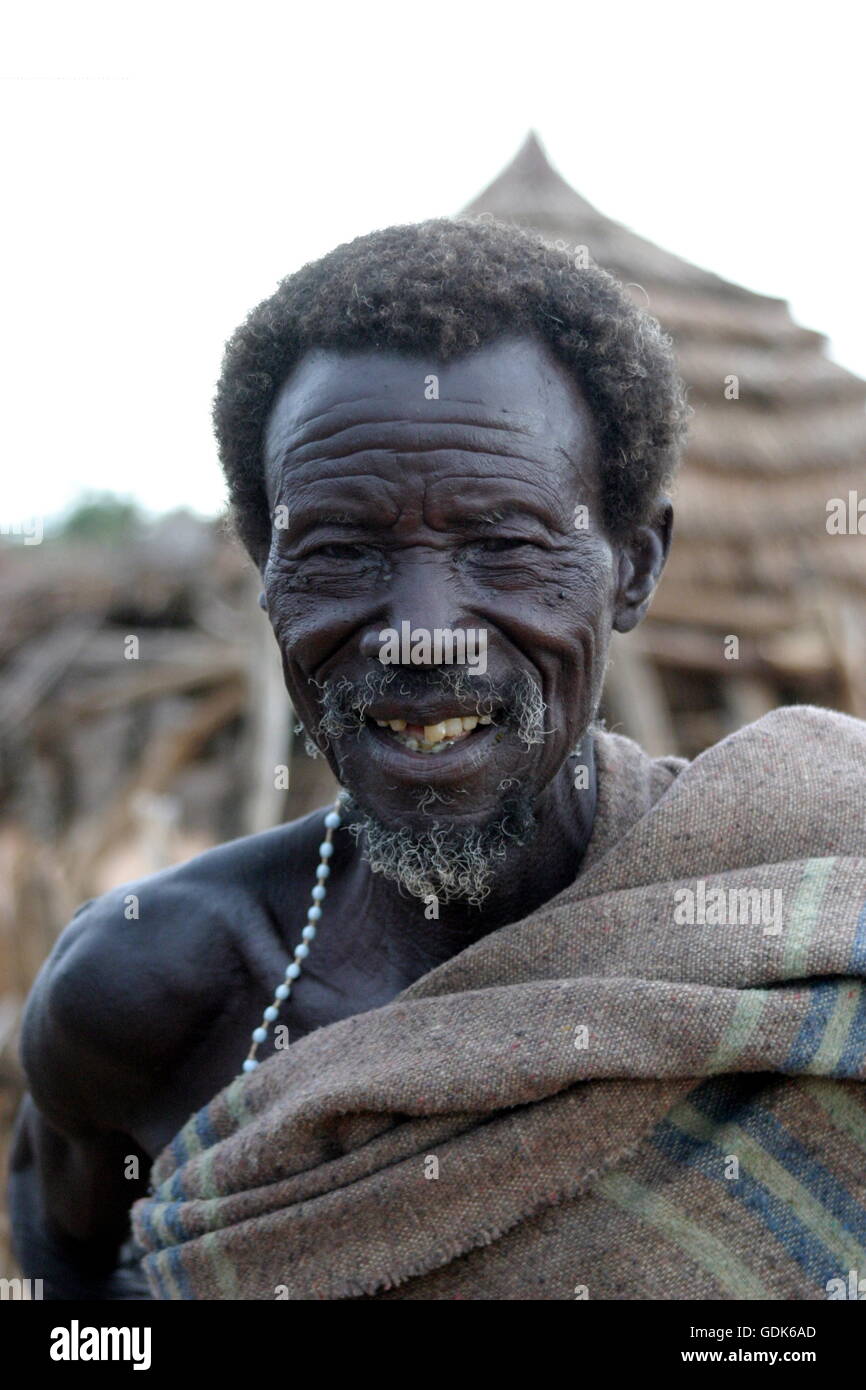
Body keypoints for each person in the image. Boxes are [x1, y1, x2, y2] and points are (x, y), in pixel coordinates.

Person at [10, 219, 866, 1301]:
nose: (420, 632)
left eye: (504, 543)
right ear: (264, 574)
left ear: (633, 565)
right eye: (338, 551)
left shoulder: (813, 899)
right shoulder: (144, 994)